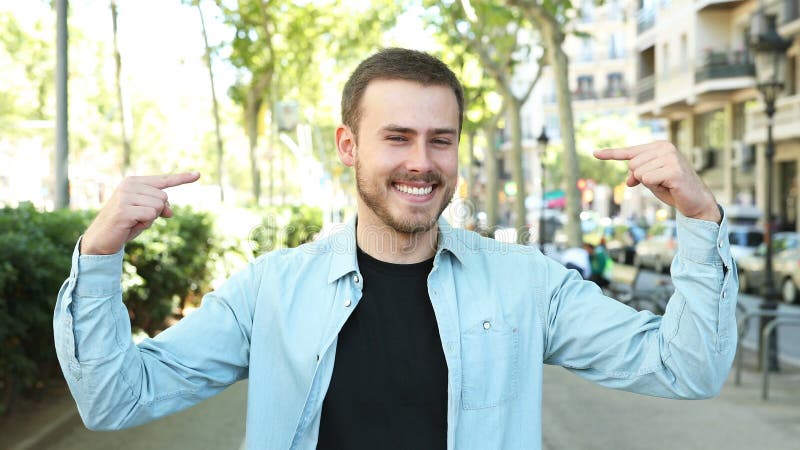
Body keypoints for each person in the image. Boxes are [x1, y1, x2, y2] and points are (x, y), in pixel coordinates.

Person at [54, 48, 738, 449]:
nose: (422, 162)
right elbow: (117, 399)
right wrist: (100, 256)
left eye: (441, 140)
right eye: (397, 137)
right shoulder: (269, 291)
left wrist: (700, 220)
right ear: (348, 146)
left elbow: (686, 368)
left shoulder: (527, 284)